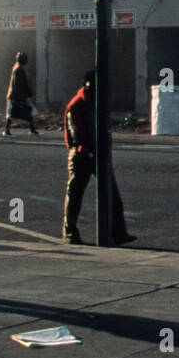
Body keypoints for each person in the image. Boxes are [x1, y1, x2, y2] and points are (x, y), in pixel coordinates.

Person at [62, 70, 135, 246]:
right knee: (75, 195)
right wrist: (88, 151)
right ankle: (69, 232)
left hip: (97, 154)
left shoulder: (97, 102)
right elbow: (75, 134)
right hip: (81, 155)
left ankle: (118, 232)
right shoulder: (77, 105)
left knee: (112, 195)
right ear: (86, 84)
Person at [4, 51, 40, 136]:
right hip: (15, 96)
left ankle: (32, 130)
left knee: (27, 111)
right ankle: (7, 131)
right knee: (12, 113)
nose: (26, 61)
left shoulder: (18, 68)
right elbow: (18, 84)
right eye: (25, 59)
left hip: (18, 95)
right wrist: (22, 96)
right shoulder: (18, 69)